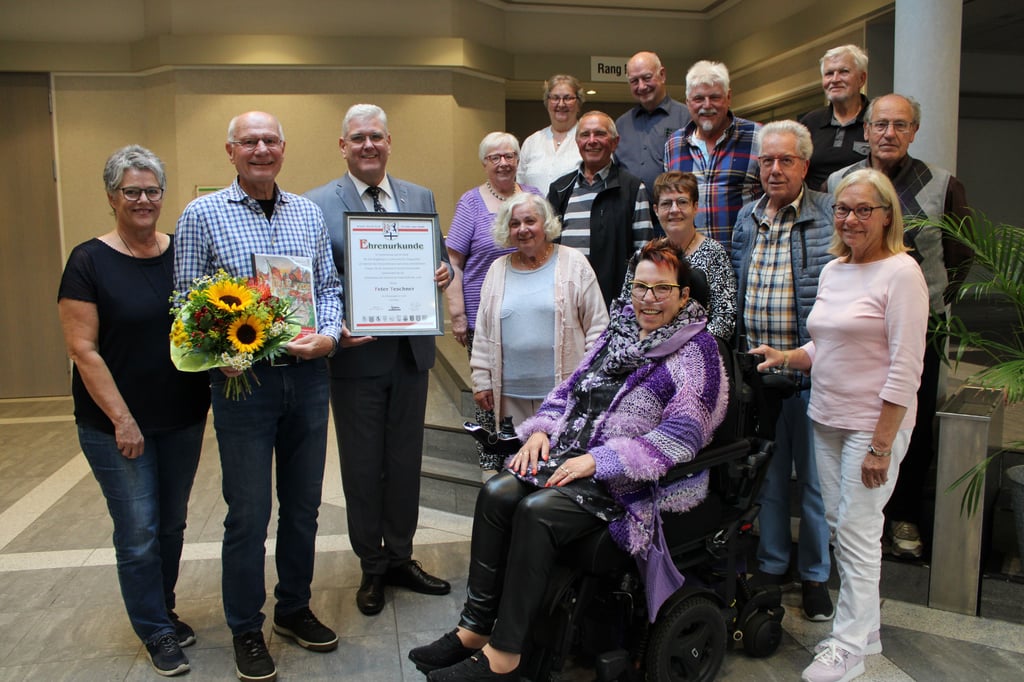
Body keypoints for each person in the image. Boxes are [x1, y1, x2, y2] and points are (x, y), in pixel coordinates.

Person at [408, 238, 728, 681]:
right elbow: (569, 390)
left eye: (662, 289)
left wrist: (601, 461)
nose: (648, 299)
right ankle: (475, 628)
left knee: (536, 511)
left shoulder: (698, 351)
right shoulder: (618, 333)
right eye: (640, 287)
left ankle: (506, 655)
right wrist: (541, 429)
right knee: (497, 492)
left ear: (683, 294)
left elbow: (684, 435)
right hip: (572, 457)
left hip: (631, 482)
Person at [175, 112, 343, 682]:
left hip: (308, 377)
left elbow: (329, 289)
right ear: (231, 151)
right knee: (249, 513)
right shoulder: (201, 215)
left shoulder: (307, 213)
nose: (261, 149)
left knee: (303, 506)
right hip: (243, 384)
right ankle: (246, 626)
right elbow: (186, 302)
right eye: (250, 142)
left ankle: (293, 608)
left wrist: (330, 336)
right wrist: (219, 349)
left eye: (270, 140)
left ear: (284, 148)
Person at [752, 169, 929, 682]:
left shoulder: (902, 273)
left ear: (887, 216)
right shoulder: (834, 269)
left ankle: (848, 646)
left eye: (863, 210)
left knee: (857, 531)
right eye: (843, 209)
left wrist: (881, 445)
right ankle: (866, 629)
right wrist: (788, 355)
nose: (850, 219)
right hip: (825, 416)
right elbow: (826, 344)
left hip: (872, 425)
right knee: (840, 526)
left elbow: (906, 367)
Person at [57, 145, 210, 678]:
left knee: (171, 525)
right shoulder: (88, 261)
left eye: (152, 190)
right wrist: (123, 420)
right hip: (116, 424)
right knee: (139, 530)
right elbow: (83, 349)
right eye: (131, 191)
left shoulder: (182, 253)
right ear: (111, 197)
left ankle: (161, 610)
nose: (143, 200)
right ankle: (155, 630)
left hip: (183, 414)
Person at [305, 103, 453, 618]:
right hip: (356, 356)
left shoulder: (419, 196)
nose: (368, 145)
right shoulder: (316, 203)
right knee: (364, 466)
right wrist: (334, 327)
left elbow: (437, 261)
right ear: (342, 146)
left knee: (405, 462)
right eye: (358, 138)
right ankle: (372, 564)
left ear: (389, 142)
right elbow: (315, 280)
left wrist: (442, 273)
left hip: (411, 354)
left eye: (376, 136)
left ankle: (401, 557)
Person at [826, 94, 972, 559]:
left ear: (913, 132)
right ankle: (860, 517)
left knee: (913, 418)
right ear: (866, 130)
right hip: (855, 326)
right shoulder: (839, 182)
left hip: (919, 326)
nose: (889, 133)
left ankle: (904, 513)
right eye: (881, 124)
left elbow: (961, 254)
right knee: (857, 418)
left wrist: (931, 301)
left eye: (900, 125)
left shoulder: (942, 184)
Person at [731, 120, 835, 621]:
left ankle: (815, 575)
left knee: (813, 485)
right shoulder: (747, 216)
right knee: (769, 478)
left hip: (814, 375)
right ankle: (773, 563)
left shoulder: (828, 214)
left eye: (785, 160)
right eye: (767, 160)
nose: (774, 169)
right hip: (760, 376)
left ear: (804, 166)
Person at [445, 132, 543, 478]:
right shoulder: (471, 203)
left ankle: (529, 456)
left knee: (526, 388)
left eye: (509, 156)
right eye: (494, 157)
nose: (503, 163)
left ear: (518, 160)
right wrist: (458, 314)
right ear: (485, 163)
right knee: (487, 391)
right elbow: (453, 262)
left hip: (532, 314)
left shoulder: (534, 196)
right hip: (483, 317)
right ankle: (490, 466)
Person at [470, 193, 608, 435]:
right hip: (510, 396)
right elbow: (483, 332)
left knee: (559, 455)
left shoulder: (574, 263)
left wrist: (588, 380)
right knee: (516, 456)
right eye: (514, 224)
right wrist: (481, 381)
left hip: (564, 394)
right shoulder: (497, 269)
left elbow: (598, 328)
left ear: (545, 224)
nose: (523, 229)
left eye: (530, 221)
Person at [548, 111, 654, 307]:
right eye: (585, 135)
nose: (592, 141)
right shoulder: (560, 189)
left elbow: (644, 254)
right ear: (577, 142)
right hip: (565, 299)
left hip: (613, 301)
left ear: (615, 142)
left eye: (600, 134)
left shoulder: (632, 188)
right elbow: (547, 249)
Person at [664, 60, 762, 253]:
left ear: (728, 97)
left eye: (715, 97)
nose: (707, 105)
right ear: (688, 102)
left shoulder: (757, 137)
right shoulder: (674, 145)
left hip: (743, 258)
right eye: (698, 98)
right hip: (690, 260)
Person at [643, 170, 735, 340]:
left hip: (699, 351)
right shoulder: (646, 256)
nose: (674, 210)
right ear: (656, 210)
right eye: (666, 203)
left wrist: (689, 349)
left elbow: (725, 318)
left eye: (682, 202)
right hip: (649, 350)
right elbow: (627, 308)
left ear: (695, 207)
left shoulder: (714, 253)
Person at [615, 51, 691, 197]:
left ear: (662, 75)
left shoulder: (686, 118)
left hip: (673, 207)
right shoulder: (621, 124)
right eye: (634, 81)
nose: (641, 86)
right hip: (630, 209)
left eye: (647, 78)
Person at [799, 45, 871, 189]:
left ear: (862, 79)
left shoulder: (877, 121)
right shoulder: (810, 122)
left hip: (863, 201)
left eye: (844, 72)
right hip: (814, 202)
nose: (835, 79)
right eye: (829, 74)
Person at [517, 75, 585, 192]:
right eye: (555, 98)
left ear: (578, 103)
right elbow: (519, 187)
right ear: (547, 102)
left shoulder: (589, 140)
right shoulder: (531, 142)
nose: (561, 104)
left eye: (568, 98)